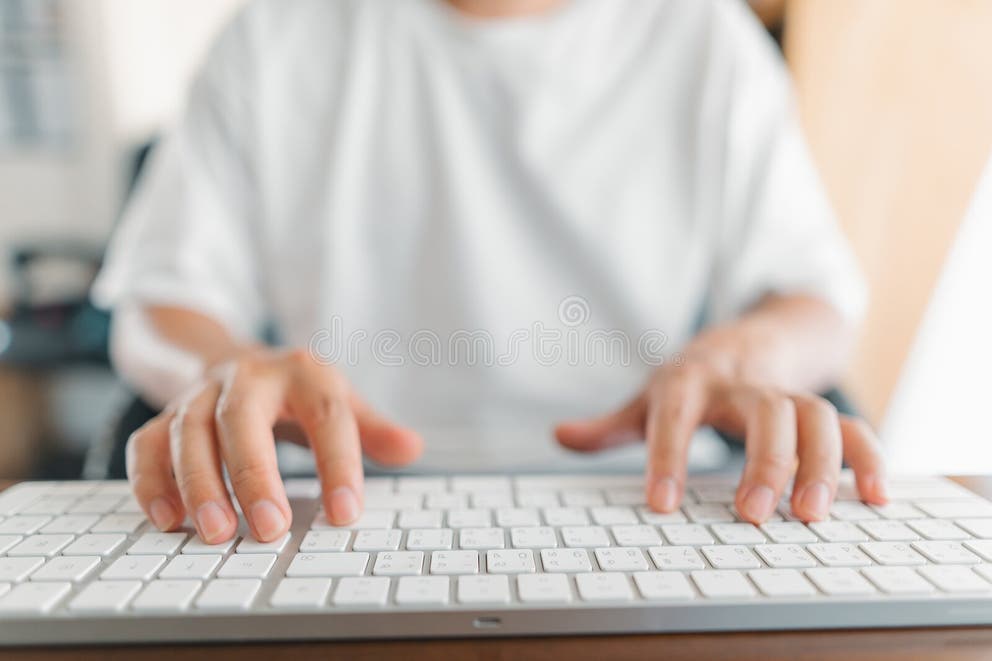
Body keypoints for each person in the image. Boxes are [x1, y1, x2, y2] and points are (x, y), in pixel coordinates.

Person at [92, 0, 887, 545]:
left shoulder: (707, 37)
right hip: (322, 504)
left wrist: (735, 359)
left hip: (664, 495)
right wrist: (230, 369)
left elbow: (813, 297)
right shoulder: (274, 34)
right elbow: (160, 301)